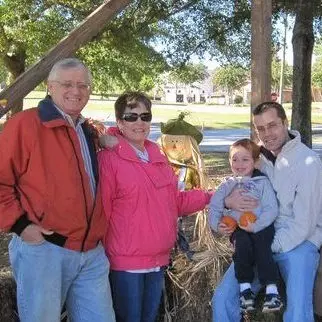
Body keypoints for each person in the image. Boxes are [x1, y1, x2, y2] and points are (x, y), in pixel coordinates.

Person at [0, 58, 115, 322]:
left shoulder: (86, 129)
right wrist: (20, 226)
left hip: (91, 253)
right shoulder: (25, 124)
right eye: (67, 84)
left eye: (83, 85)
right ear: (49, 87)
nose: (76, 91)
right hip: (45, 250)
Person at [98, 91, 212, 322]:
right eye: (131, 117)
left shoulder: (156, 157)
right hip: (125, 263)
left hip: (158, 259)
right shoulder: (108, 159)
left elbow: (174, 202)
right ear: (119, 122)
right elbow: (102, 210)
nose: (139, 122)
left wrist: (212, 197)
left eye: (145, 116)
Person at [212, 101, 322, 322]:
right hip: (260, 233)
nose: (267, 134)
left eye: (272, 126)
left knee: (298, 310)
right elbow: (231, 188)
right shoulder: (256, 158)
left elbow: (304, 224)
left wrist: (266, 246)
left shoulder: (308, 162)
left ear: (285, 123)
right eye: (260, 128)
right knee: (222, 299)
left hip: (300, 242)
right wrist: (228, 203)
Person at [209, 138, 282, 313]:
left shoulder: (262, 183)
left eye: (245, 159)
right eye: (235, 159)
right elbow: (215, 205)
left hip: (260, 226)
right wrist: (216, 225)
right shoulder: (227, 185)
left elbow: (272, 209)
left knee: (263, 250)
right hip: (240, 228)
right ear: (229, 161)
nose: (239, 164)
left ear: (256, 161)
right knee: (241, 249)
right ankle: (245, 290)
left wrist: (257, 226)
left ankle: (272, 292)